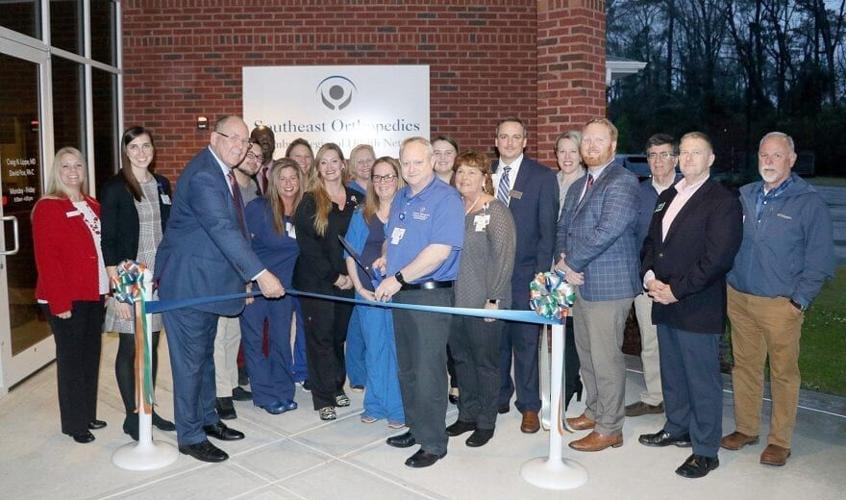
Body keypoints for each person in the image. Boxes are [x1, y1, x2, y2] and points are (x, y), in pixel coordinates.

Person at [155, 115, 285, 463]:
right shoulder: (203, 176)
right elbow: (221, 229)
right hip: (188, 285)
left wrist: (241, 278)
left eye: (244, 142)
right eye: (233, 139)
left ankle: (209, 419)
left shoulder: (222, 173)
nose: (239, 147)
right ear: (214, 138)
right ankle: (190, 435)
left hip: (210, 284)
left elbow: (233, 231)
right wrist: (261, 274)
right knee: (190, 364)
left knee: (205, 360)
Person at [721, 132, 835, 467]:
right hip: (740, 299)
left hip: (780, 305)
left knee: (784, 374)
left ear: (792, 159)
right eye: (764, 155)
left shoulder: (808, 202)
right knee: (745, 367)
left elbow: (820, 260)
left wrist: (799, 301)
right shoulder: (745, 195)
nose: (769, 162)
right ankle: (746, 429)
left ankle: (780, 441)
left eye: (777, 156)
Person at [639, 131, 743, 478]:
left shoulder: (722, 200)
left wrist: (677, 290)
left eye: (696, 153)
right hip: (664, 299)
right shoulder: (669, 196)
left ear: (711, 159)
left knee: (701, 380)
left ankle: (705, 449)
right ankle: (677, 427)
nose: (687, 159)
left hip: (696, 304)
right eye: (683, 153)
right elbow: (653, 243)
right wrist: (650, 276)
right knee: (673, 374)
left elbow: (718, 258)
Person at [375, 137, 464, 468]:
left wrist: (397, 278)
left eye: (418, 162)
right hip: (403, 294)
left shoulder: (446, 199)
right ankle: (417, 427)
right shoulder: (400, 196)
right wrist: (386, 259)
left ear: (432, 162)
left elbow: (439, 252)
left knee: (429, 371)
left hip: (430, 293)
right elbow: (392, 237)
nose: (411, 169)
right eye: (406, 163)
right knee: (408, 368)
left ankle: (434, 442)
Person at [555, 118, 640, 452]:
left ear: (613, 146)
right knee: (587, 354)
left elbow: (607, 231)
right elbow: (564, 227)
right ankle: (594, 410)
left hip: (608, 285)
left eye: (598, 141)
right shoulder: (580, 184)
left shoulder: (622, 181)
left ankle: (610, 427)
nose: (590, 147)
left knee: (606, 359)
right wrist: (563, 260)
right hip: (578, 283)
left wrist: (571, 263)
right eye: (586, 141)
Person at [100, 127, 176, 441]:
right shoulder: (116, 187)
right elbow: (110, 240)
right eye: (134, 146)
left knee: (152, 344)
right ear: (126, 151)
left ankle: (148, 406)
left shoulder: (161, 184)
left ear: (153, 149)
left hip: (156, 276)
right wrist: (117, 289)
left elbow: (169, 228)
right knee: (130, 345)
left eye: (146, 146)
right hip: (129, 275)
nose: (141, 152)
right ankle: (133, 415)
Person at [33, 147, 109, 444]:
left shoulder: (92, 204)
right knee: (71, 360)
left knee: (91, 356)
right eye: (66, 166)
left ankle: (87, 413)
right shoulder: (48, 206)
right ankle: (74, 424)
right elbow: (47, 259)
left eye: (78, 165)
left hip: (94, 292)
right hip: (66, 297)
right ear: (57, 171)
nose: (73, 171)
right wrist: (59, 302)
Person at [492, 117, 559, 434]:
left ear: (525, 141)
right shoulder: (484, 174)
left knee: (527, 343)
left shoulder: (543, 177)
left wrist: (540, 280)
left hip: (526, 275)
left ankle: (530, 405)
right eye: (503, 137)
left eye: (515, 137)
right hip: (491, 276)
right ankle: (501, 394)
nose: (508, 142)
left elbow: (548, 234)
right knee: (496, 339)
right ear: (496, 140)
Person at [445, 150, 516, 448]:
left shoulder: (494, 210)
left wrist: (494, 299)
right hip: (455, 300)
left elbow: (504, 256)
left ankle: (486, 422)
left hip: (484, 302)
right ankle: (467, 414)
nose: (464, 177)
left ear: (485, 177)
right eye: (460, 171)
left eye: (472, 172)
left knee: (485, 363)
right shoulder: (454, 209)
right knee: (462, 360)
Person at [293, 143, 360, 421]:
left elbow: (363, 239)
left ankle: (336, 385)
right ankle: (323, 398)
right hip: (317, 280)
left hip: (348, 280)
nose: (330, 167)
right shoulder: (309, 200)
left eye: (335, 161)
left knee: (337, 336)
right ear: (318, 168)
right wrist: (336, 277)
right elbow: (309, 247)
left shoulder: (357, 198)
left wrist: (352, 277)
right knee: (319, 337)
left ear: (343, 164)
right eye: (324, 162)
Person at [344, 156, 406, 428]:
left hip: (398, 293)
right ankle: (376, 404)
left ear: (398, 179)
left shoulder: (407, 211)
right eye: (377, 177)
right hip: (367, 293)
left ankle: (398, 408)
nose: (383, 183)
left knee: (396, 350)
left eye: (388, 176)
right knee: (374, 349)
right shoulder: (362, 214)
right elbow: (350, 254)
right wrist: (358, 288)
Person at [240, 159, 304, 415]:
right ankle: (264, 394)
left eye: (293, 178)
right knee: (254, 341)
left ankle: (284, 391)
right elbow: (242, 246)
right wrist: (245, 282)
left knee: (280, 339)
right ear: (273, 181)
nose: (288, 184)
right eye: (282, 178)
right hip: (256, 285)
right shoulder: (258, 208)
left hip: (284, 289)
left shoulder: (304, 209)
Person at [626, 133, 680, 418]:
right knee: (650, 342)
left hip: (682, 285)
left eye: (664, 155)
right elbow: (633, 238)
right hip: (646, 282)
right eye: (653, 155)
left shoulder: (688, 190)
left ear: (676, 158)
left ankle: (681, 400)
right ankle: (654, 397)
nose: (658, 161)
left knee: (681, 344)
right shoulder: (638, 193)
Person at [213, 140, 263, 420]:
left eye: (259, 157)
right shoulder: (225, 184)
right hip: (224, 267)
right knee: (219, 334)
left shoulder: (253, 188)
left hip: (243, 269)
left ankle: (231, 384)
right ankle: (220, 394)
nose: (254, 160)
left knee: (233, 332)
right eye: (249, 154)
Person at [553, 130, 586, 410]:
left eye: (572, 151)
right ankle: (564, 381)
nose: (567, 157)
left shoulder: (589, 184)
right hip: (554, 266)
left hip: (577, 267)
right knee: (558, 325)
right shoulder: (551, 182)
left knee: (574, 328)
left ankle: (570, 382)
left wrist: (570, 262)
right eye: (562, 151)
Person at [345, 143, 376, 392]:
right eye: (360, 161)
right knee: (357, 323)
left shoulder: (383, 190)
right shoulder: (349, 194)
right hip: (357, 264)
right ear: (352, 166)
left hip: (379, 265)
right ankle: (357, 375)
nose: (365, 165)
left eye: (369, 160)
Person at [432, 134, 461, 404]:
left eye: (447, 152)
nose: (442, 158)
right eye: (436, 152)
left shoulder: (463, 184)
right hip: (430, 272)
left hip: (460, 270)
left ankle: (457, 381)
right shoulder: (420, 186)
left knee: (456, 332)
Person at [285, 137, 314, 386]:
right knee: (282, 324)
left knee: (306, 323)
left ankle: (303, 369)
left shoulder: (317, 192)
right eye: (297, 156)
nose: (303, 161)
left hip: (308, 269)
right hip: (283, 270)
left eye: (307, 156)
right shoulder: (281, 190)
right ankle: (284, 370)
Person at [251, 125, 276, 194]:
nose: (265, 141)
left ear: (274, 143)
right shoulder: (245, 172)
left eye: (269, 138)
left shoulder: (282, 169)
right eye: (260, 138)